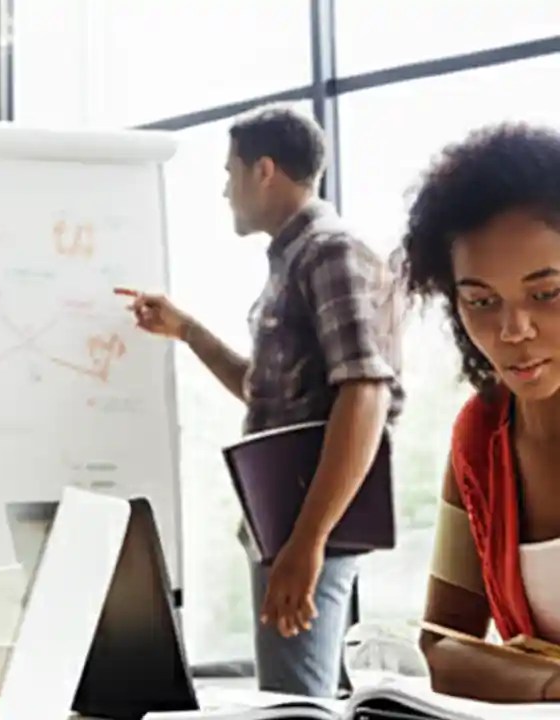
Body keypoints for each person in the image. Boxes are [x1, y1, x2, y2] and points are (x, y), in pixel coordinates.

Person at [116, 105, 403, 697]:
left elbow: (367, 390)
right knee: (289, 696)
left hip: (306, 523)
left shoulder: (329, 251)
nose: (226, 190)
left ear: (264, 170)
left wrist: (307, 543)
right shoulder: (296, 259)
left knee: (295, 705)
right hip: (286, 524)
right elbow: (267, 391)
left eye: (231, 172)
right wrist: (188, 330)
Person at [404, 123, 560, 704]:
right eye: (481, 302)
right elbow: (442, 645)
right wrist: (551, 686)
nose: (512, 331)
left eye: (547, 293)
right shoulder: (478, 437)